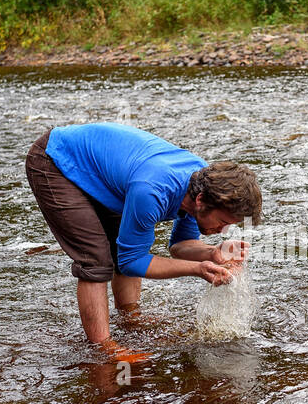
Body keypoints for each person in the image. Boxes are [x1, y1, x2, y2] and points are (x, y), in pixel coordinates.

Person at [25, 122, 262, 359]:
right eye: (222, 221)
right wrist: (198, 269)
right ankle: (104, 350)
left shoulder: (200, 184)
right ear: (201, 200)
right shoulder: (152, 191)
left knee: (125, 243)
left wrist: (212, 253)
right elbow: (132, 261)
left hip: (106, 173)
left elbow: (180, 246)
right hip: (56, 161)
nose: (223, 231)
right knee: (96, 260)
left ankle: (130, 318)